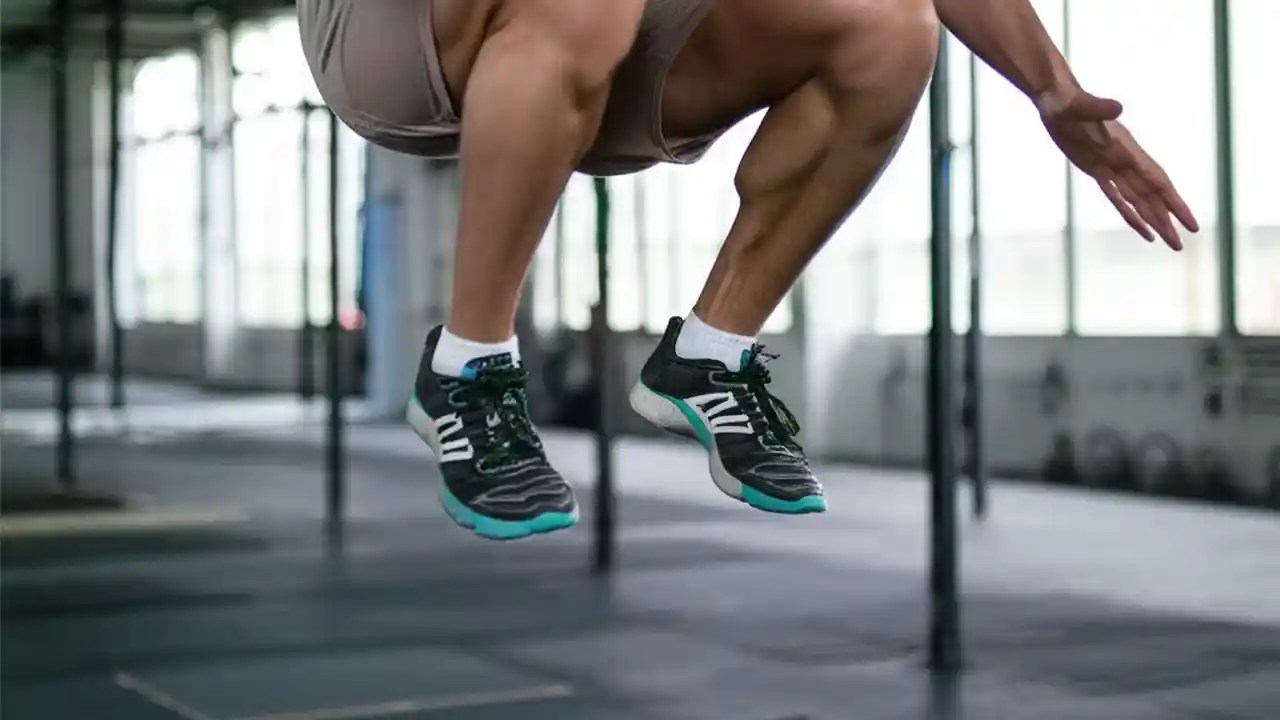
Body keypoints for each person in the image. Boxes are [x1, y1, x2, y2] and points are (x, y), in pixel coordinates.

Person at [299, 0, 1198, 540]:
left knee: (889, 25)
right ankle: (468, 369)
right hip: (393, 38)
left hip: (605, 49)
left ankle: (712, 349)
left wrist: (1050, 87)